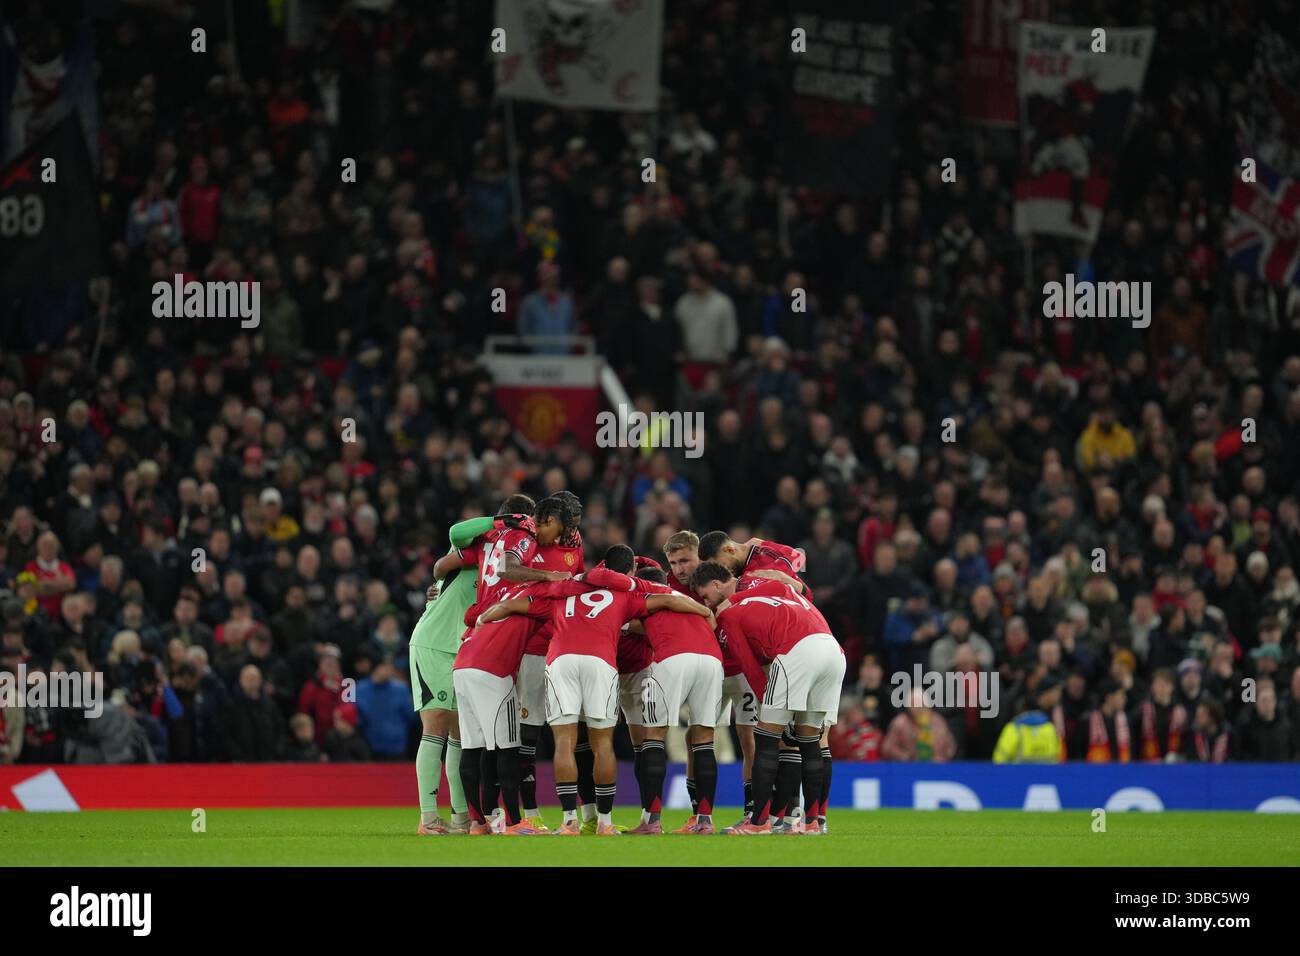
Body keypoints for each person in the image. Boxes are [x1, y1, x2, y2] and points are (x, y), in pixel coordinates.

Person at [479, 547, 710, 835]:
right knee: (602, 743)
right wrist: (704, 610)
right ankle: (604, 823)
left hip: (561, 660)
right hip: (600, 661)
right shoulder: (624, 594)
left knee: (564, 741)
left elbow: (513, 606)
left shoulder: (564, 593)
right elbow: (665, 600)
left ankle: (568, 822)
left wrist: (482, 620)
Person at [693, 562, 845, 835]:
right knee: (810, 741)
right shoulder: (770, 590)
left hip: (798, 652)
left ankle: (758, 823)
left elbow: (748, 665)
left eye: (705, 596)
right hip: (833, 650)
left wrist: (769, 706)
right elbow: (781, 585)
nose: (708, 604)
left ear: (716, 585)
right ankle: (812, 823)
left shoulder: (730, 613)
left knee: (766, 737)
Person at [992, 676, 1064, 763]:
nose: (1059, 694)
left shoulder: (1014, 729)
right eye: (1056, 690)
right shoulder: (1050, 728)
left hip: (1016, 775)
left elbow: (999, 759)